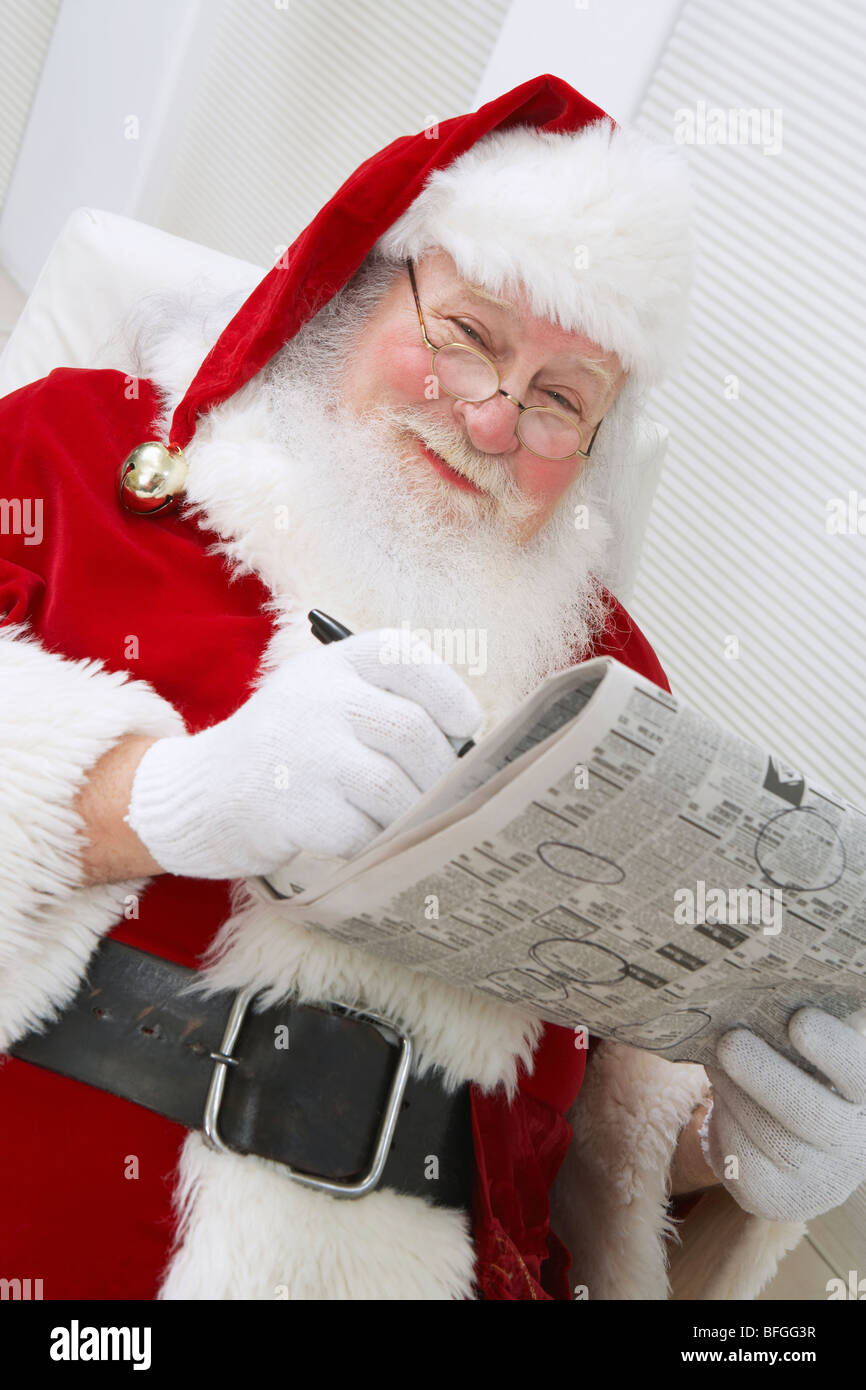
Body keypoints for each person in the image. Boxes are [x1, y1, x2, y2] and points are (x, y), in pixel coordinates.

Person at [1, 72, 863, 1301]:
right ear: (360, 288)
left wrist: (737, 1146)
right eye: (467, 335)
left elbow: (584, 1145)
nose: (495, 418)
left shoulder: (608, 684)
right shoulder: (79, 450)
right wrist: (161, 799)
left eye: (561, 401)